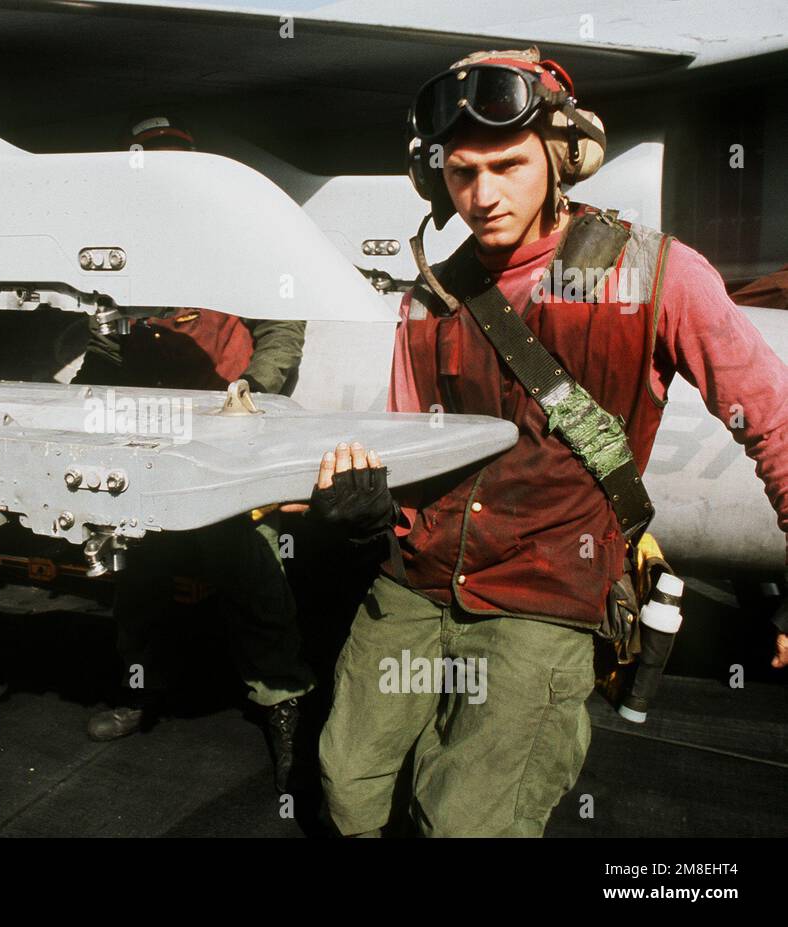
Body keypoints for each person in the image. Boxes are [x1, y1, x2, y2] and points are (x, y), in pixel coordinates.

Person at [308, 47, 788, 836]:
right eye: (462, 173)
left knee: (467, 822)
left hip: (544, 592)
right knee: (348, 789)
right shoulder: (433, 297)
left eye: (507, 164)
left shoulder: (656, 274)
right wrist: (362, 508)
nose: (484, 196)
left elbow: (771, 417)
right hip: (418, 580)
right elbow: (413, 445)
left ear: (560, 158)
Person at [76, 114, 316, 791]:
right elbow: (107, 343)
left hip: (225, 437)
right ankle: (136, 690)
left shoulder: (234, 242)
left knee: (254, 574)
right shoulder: (121, 256)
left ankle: (283, 705)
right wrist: (84, 397)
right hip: (148, 440)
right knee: (139, 581)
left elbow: (281, 329)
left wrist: (253, 388)